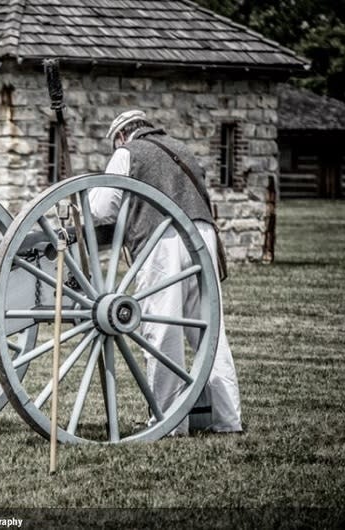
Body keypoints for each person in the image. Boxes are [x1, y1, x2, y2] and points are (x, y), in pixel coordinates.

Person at [89, 110, 242, 434]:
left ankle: (170, 422)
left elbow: (102, 208)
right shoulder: (182, 149)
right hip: (202, 237)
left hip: (163, 239)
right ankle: (228, 420)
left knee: (163, 329)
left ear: (121, 136)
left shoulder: (126, 153)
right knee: (210, 331)